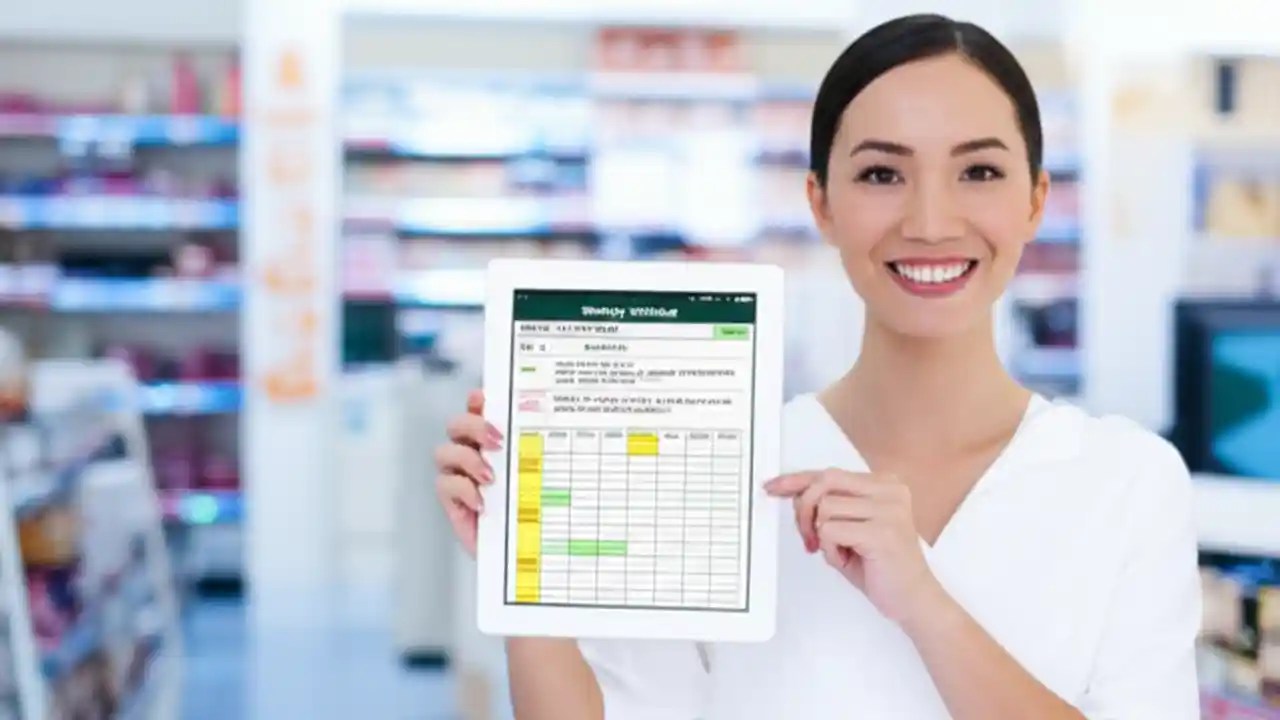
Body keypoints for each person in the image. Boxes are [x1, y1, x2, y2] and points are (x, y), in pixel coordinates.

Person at [433, 14, 1200, 720]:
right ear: (821, 203)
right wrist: (524, 576)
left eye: (979, 173)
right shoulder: (723, 466)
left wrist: (924, 604)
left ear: (1035, 200)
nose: (930, 222)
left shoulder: (1128, 480)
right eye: (880, 174)